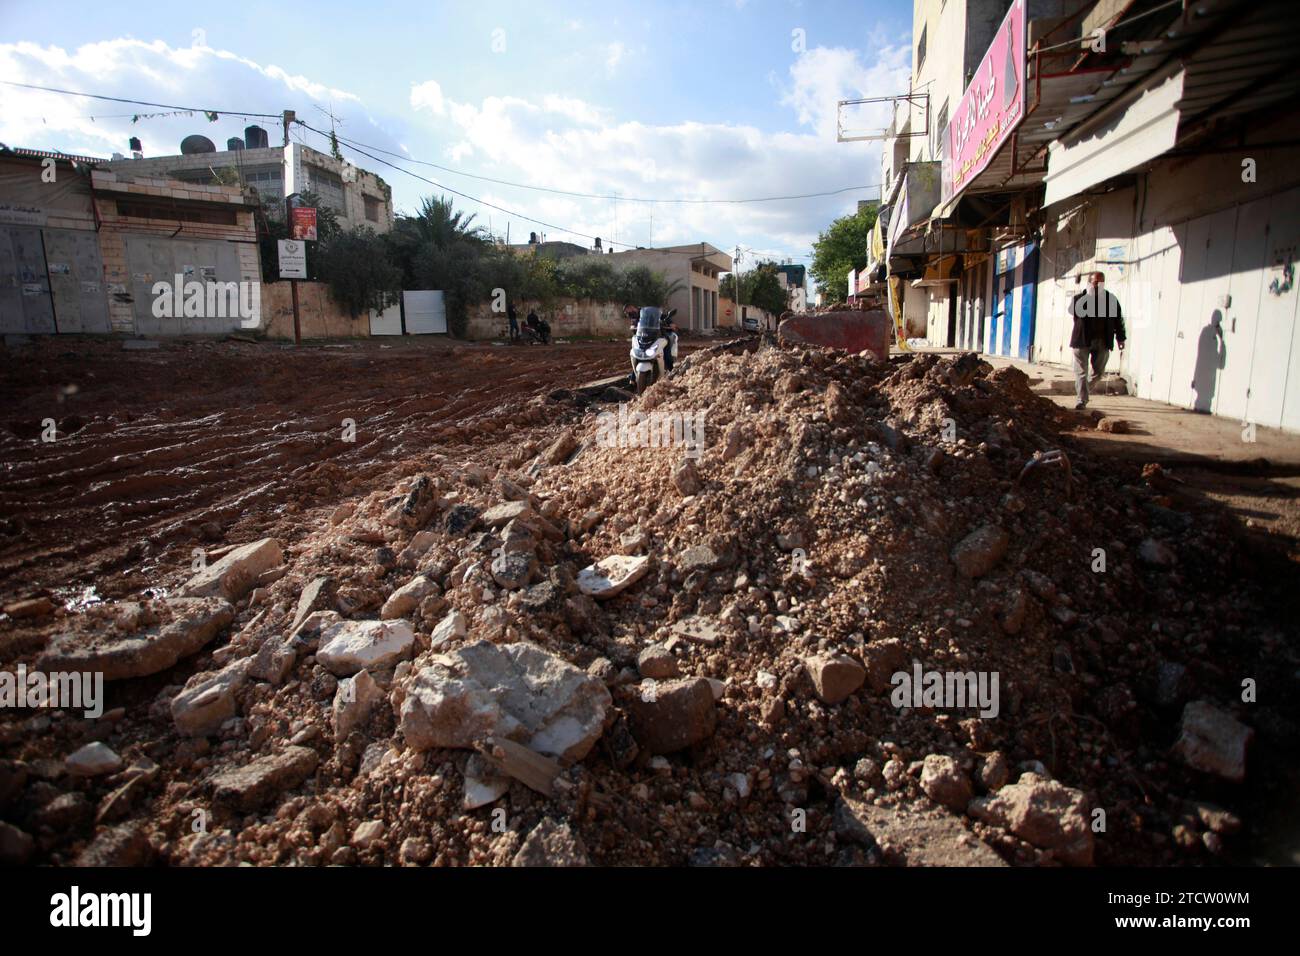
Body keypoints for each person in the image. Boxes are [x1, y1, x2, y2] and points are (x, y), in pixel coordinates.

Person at [1069, 271, 1126, 410]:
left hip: (1102, 341)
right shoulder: (1079, 299)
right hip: (1082, 340)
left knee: (1099, 373)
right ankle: (1081, 400)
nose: (1098, 285)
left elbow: (1118, 320)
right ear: (1089, 283)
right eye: (1095, 283)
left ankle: (1083, 390)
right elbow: (1074, 312)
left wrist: (1121, 337)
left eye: (1101, 282)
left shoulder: (1111, 300)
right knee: (1081, 372)